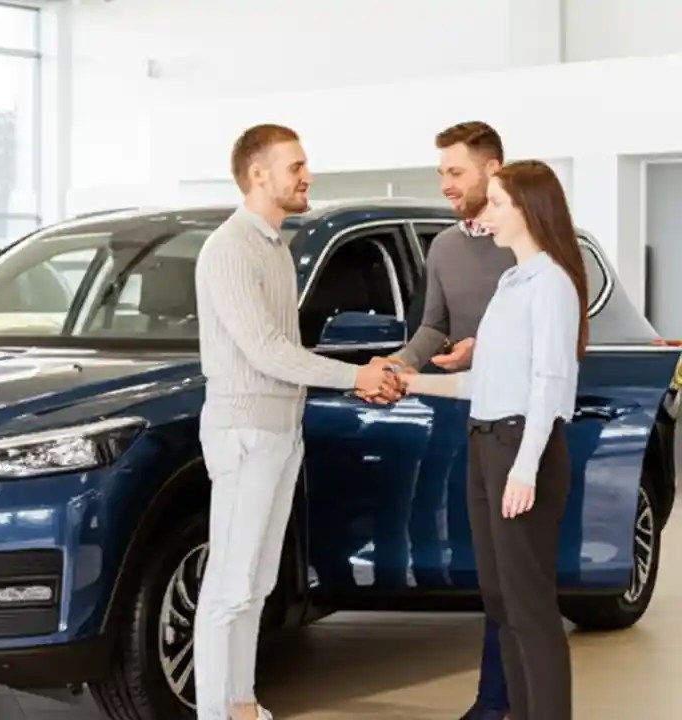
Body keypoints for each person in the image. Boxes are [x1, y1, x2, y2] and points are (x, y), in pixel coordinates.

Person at [193, 123, 403, 720]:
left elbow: (282, 350)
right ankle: (216, 713)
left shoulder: (275, 248)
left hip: (280, 431)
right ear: (258, 175)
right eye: (296, 166)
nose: (307, 176)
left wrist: (359, 371)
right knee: (228, 590)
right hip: (245, 432)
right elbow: (264, 349)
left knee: (256, 585)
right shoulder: (230, 248)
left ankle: (240, 704)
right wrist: (356, 376)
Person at [400, 159, 586, 720]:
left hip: (519, 447)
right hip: (487, 441)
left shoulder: (551, 283)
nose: (489, 211)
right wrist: (415, 381)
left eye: (499, 202)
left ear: (529, 211)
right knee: (502, 602)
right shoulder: (511, 282)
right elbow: (486, 382)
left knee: (530, 607)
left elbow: (549, 384)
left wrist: (525, 468)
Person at [368, 120, 516, 720]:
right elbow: (434, 325)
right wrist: (399, 362)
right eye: (441, 174)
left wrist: (482, 345)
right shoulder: (445, 247)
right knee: (493, 574)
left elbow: (556, 331)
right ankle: (498, 701)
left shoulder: (527, 241)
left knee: (515, 578)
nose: (446, 185)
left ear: (491, 168)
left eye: (455, 172)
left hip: (522, 422)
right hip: (469, 421)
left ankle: (500, 703)